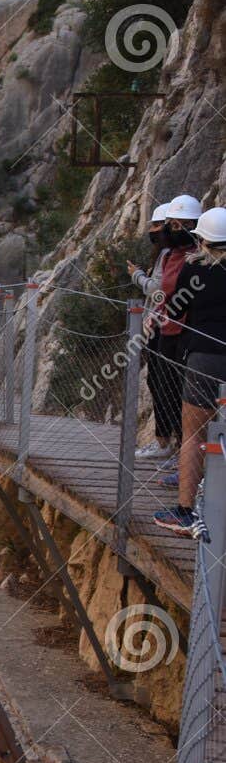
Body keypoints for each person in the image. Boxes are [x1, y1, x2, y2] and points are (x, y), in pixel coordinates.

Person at [153, 206, 226, 535]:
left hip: (203, 356)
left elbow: (176, 307)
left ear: (202, 240)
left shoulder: (193, 271)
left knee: (194, 434)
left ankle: (185, 512)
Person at [128, 199, 197, 464]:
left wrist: (137, 277)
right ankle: (168, 444)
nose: (160, 230)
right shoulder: (167, 254)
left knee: (172, 386)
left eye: (163, 225)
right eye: (164, 224)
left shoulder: (187, 256)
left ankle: (177, 447)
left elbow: (159, 291)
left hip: (176, 330)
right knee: (159, 383)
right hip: (161, 326)